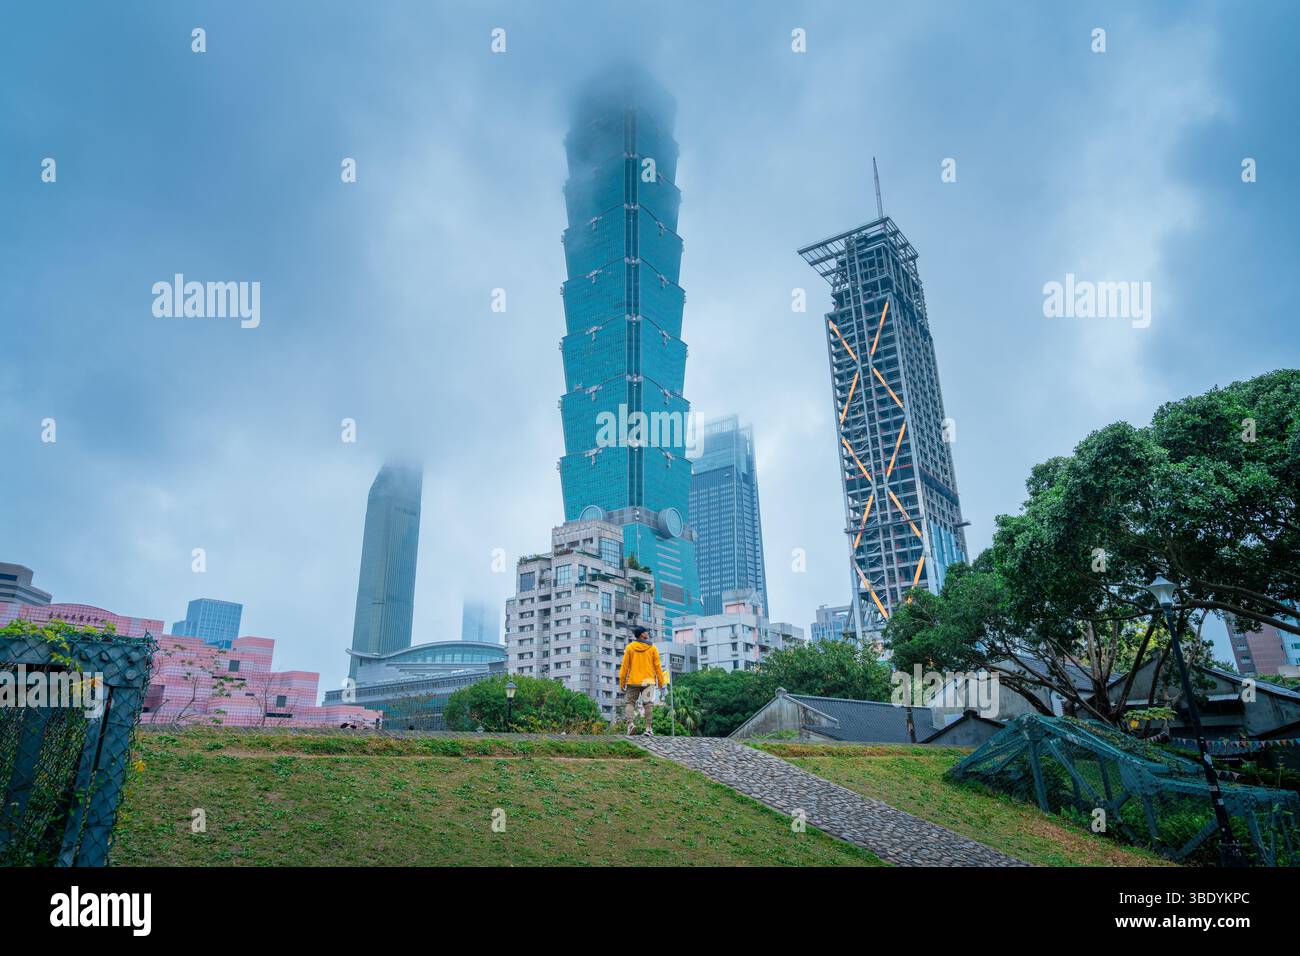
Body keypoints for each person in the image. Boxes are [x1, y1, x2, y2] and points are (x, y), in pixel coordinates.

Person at [618, 624, 665, 736]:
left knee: (630, 703)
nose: (647, 633)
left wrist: (622, 681)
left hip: (633, 680)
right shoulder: (653, 648)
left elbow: (624, 666)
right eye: (646, 632)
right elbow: (657, 666)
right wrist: (660, 681)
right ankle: (648, 729)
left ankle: (630, 725)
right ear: (642, 634)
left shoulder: (630, 647)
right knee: (648, 704)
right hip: (648, 682)